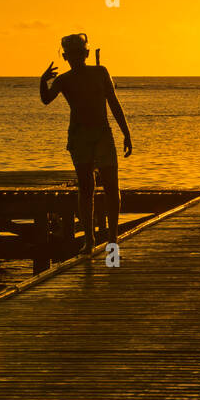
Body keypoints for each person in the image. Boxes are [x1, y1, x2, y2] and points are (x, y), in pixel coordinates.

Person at [40, 33, 132, 251]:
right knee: (86, 187)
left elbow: (114, 103)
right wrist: (42, 81)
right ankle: (89, 239)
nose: (76, 58)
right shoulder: (64, 79)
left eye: (79, 53)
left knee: (111, 184)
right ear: (65, 56)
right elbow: (46, 99)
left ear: (87, 54)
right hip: (79, 135)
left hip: (102, 133)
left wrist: (126, 133)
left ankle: (112, 237)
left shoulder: (100, 72)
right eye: (71, 55)